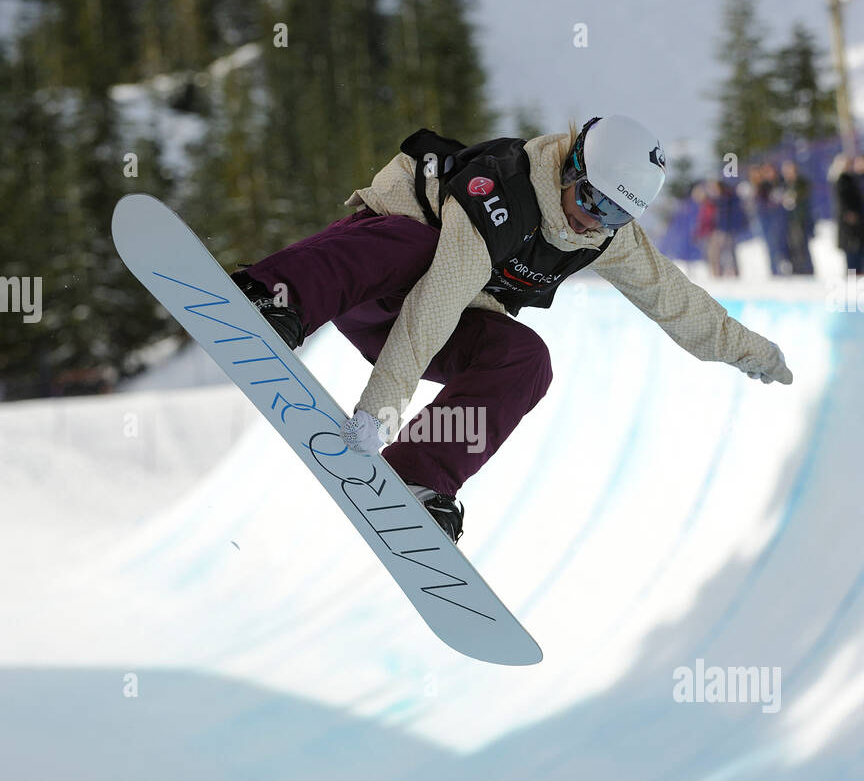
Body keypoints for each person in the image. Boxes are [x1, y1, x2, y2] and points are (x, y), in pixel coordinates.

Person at [230, 115, 792, 542]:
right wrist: (379, 408)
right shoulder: (504, 191)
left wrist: (754, 352)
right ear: (572, 166)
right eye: (591, 197)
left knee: (525, 358)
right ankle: (272, 296)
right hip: (373, 282)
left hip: (438, 318)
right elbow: (434, 302)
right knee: (416, 245)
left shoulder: (602, 234)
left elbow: (678, 301)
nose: (591, 219)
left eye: (615, 214)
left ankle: (419, 474)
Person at [831, 153, 864, 273]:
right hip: (850, 227)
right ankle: (852, 287)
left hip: (859, 225)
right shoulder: (842, 181)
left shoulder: (854, 179)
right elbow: (843, 202)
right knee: (852, 260)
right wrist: (849, 213)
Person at [779, 160, 814, 275]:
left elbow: (800, 198)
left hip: (801, 220)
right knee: (793, 247)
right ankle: (797, 270)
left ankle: (807, 270)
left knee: (802, 246)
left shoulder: (801, 183)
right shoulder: (784, 184)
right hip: (789, 221)